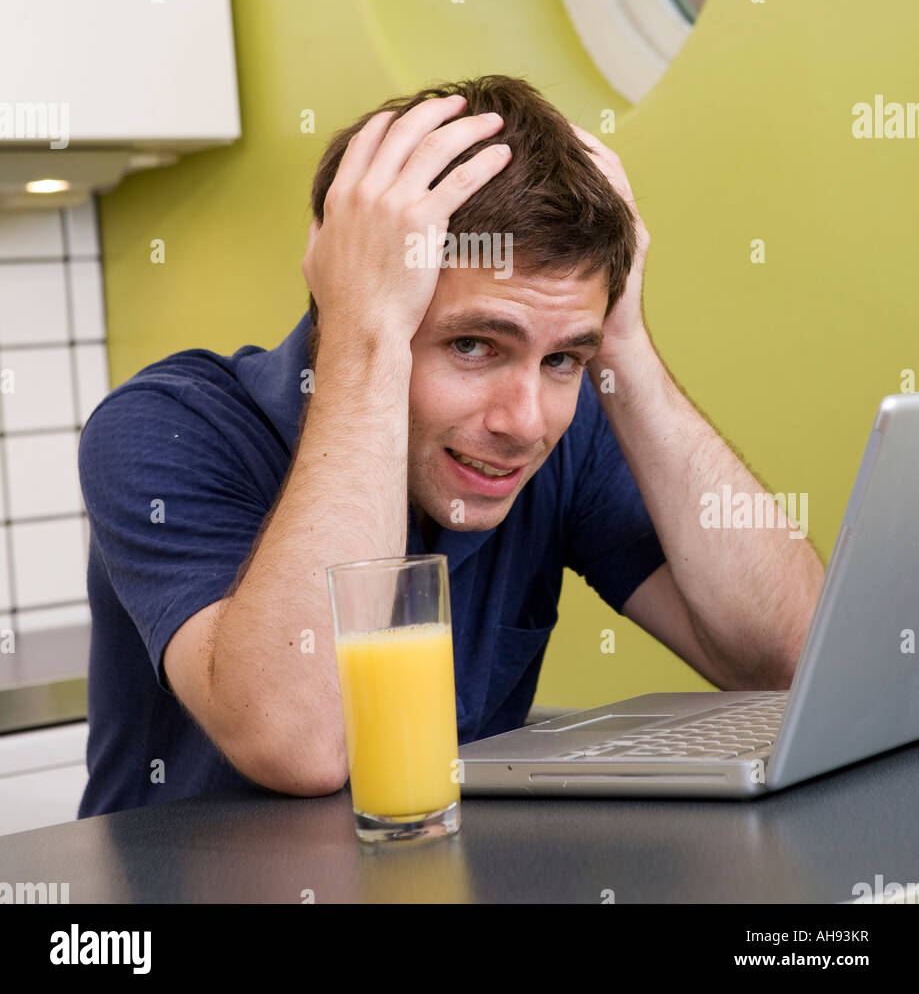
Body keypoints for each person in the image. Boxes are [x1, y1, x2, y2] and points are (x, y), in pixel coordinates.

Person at [77, 75, 824, 817]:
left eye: (563, 357)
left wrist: (621, 348)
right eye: (473, 345)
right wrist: (361, 333)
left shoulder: (558, 437)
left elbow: (794, 665)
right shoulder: (164, 430)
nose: (525, 421)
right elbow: (302, 745)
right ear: (356, 295)